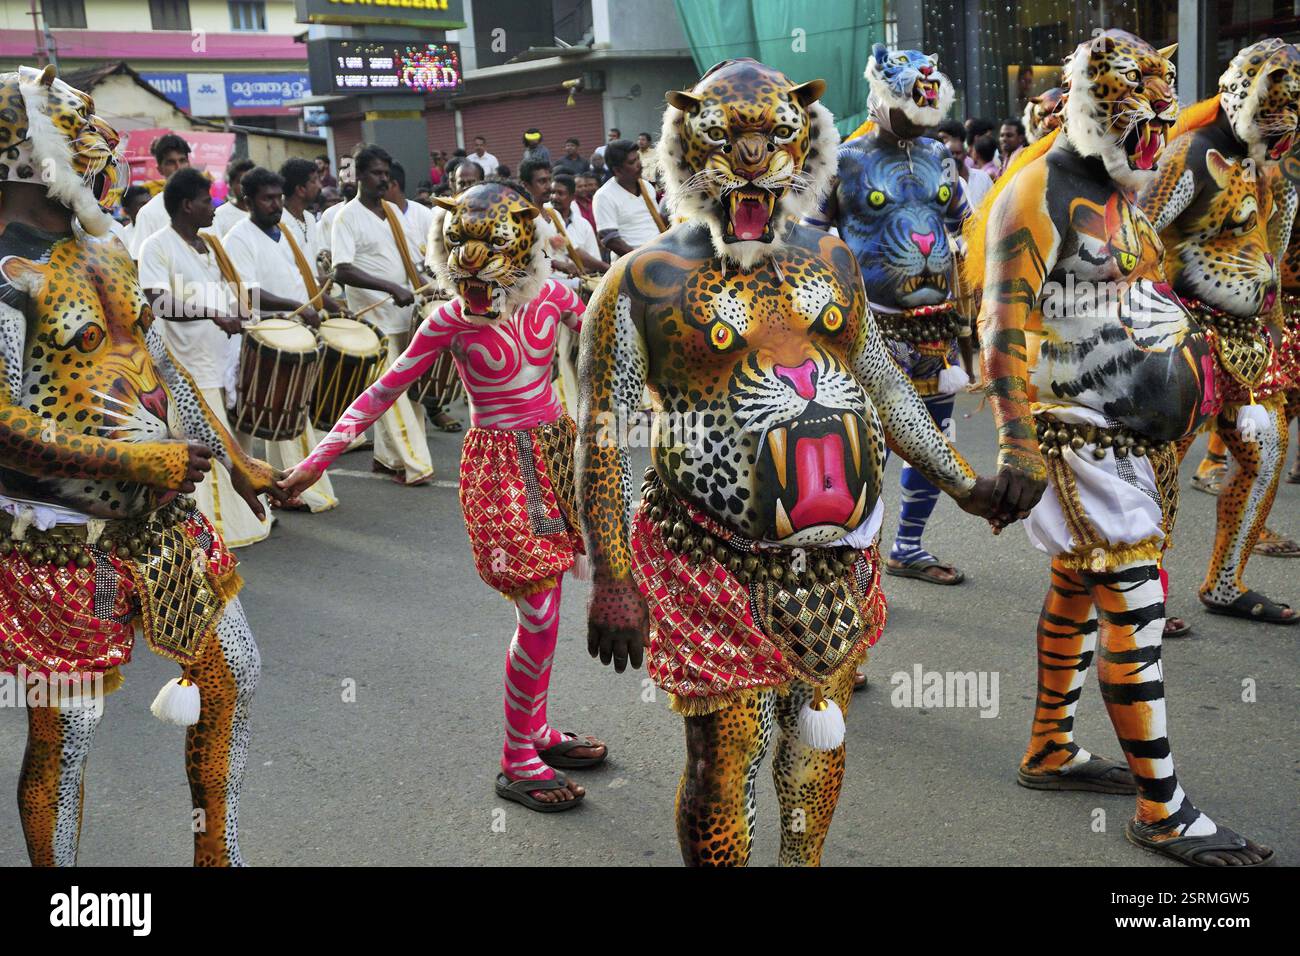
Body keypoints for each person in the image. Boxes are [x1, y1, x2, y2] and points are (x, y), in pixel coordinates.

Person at [578, 58, 1002, 867]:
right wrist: (612, 576)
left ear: (804, 149)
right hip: (707, 557)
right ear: (685, 147)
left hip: (835, 563)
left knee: (819, 737)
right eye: (727, 142)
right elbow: (603, 437)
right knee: (726, 749)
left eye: (773, 140)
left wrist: (965, 484)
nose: (750, 161)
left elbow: (885, 386)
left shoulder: (832, 258)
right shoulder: (638, 284)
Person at [966, 29, 1272, 866]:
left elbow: (1145, 290)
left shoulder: (1119, 183)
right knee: (1133, 605)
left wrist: (1213, 380)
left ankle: (1049, 750)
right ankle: (1162, 808)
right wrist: (1017, 446)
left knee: (1076, 583)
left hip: (1129, 438)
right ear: (1091, 104)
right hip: (1076, 437)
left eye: (1160, 115)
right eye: (1137, 116)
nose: (1153, 136)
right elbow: (999, 333)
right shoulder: (1035, 191)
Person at [0, 65, 282, 868]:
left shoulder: (101, 247)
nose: (106, 153)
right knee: (69, 734)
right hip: (54, 542)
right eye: (83, 133)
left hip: (162, 524)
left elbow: (160, 362)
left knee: (232, 673)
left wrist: (234, 463)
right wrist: (145, 455)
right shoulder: (4, 275)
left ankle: (214, 858)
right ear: (33, 153)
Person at [281, 180, 607, 812]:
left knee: (549, 612)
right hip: (499, 471)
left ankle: (535, 732)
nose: (475, 285)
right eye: (463, 262)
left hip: (556, 459)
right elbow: (382, 391)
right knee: (537, 616)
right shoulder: (448, 320)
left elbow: (611, 330)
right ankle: (516, 760)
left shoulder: (552, 298)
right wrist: (315, 461)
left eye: (491, 268)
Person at [1136, 38, 1299, 627]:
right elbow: (1136, 243)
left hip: (1249, 344)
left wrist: (1274, 324)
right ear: (1234, 97)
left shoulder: (1267, 167)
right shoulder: (1188, 154)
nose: (1280, 131)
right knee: (1160, 470)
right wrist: (1158, 331)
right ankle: (1138, 594)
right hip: (1185, 340)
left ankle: (1226, 582)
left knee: (1266, 452)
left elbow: (1268, 256)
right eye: (1271, 116)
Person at [809, 44, 974, 590]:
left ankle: (907, 546)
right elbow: (808, 236)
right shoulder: (844, 160)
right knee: (868, 449)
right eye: (906, 111)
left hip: (934, 322)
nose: (915, 125)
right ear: (881, 100)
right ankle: (859, 567)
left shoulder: (940, 155)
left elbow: (966, 223)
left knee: (935, 436)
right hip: (868, 325)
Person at [137, 168, 275, 547]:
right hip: (186, 366)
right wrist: (212, 314)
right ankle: (216, 528)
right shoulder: (157, 246)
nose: (213, 206)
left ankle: (238, 514)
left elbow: (239, 292)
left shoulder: (212, 245)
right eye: (205, 200)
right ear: (186, 205)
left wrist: (257, 314)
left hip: (225, 361)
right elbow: (157, 301)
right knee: (210, 446)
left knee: (229, 438)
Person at [223, 166, 348, 513]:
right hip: (264, 337)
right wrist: (295, 306)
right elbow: (244, 292)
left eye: (278, 197)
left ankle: (285, 484)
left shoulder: (285, 231)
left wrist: (327, 302)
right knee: (264, 420)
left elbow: (302, 277)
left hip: (297, 334)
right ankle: (276, 490)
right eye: (267, 199)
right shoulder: (238, 237)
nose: (275, 204)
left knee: (288, 416)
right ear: (248, 201)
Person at [330, 144, 436, 485]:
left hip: (405, 316)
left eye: (386, 175)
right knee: (391, 393)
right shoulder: (346, 217)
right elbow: (341, 271)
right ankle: (415, 464)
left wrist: (425, 287)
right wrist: (391, 288)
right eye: (376, 173)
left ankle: (387, 458)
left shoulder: (391, 211)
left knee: (406, 392)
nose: (382, 180)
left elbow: (408, 258)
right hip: (374, 320)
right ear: (359, 175)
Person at [546, 173, 606, 418]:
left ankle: (587, 404)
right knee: (561, 357)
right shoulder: (546, 220)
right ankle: (567, 411)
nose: (554, 197)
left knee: (584, 355)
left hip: (578, 294)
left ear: (571, 197)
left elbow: (589, 259)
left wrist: (601, 270)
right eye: (552, 192)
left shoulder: (582, 225)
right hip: (554, 296)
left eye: (560, 193)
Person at [592, 139, 662, 260]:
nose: (639, 164)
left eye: (638, 158)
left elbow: (657, 221)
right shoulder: (604, 196)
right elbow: (610, 239)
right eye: (632, 162)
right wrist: (642, 258)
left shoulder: (647, 186)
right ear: (617, 170)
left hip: (660, 256)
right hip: (629, 266)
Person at [129, 132, 191, 258]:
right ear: (160, 169)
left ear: (189, 163)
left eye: (182, 160)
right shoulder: (148, 213)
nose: (178, 167)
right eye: (171, 162)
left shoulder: (203, 206)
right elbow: (139, 260)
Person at [212, 157, 255, 237]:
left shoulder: (264, 212)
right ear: (231, 184)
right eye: (240, 182)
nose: (246, 186)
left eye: (250, 181)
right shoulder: (219, 215)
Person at [115, 184, 150, 251]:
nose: (148, 208)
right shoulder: (121, 237)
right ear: (126, 211)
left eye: (150, 203)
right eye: (142, 205)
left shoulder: (160, 229)